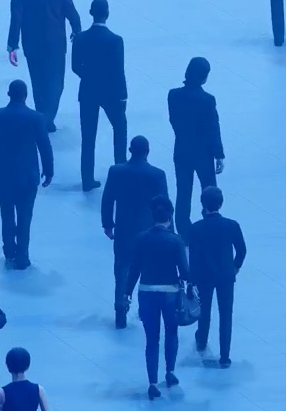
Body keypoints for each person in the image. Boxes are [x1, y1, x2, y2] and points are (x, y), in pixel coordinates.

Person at [0, 79, 55, 269]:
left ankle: (9, 249)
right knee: (25, 215)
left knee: (6, 213)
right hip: (28, 176)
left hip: (3, 175)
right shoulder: (36, 118)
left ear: (8, 94)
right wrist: (49, 171)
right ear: (26, 95)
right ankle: (22, 255)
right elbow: (45, 147)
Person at [7, 0, 81, 132]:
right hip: (55, 46)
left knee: (38, 81)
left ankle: (42, 115)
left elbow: (15, 21)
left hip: (32, 46)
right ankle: (48, 117)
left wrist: (12, 46)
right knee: (56, 82)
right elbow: (73, 16)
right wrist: (77, 35)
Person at [104, 136, 170, 328]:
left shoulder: (116, 171)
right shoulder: (157, 175)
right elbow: (164, 205)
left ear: (130, 150)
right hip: (150, 233)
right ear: (148, 151)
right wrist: (169, 232)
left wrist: (108, 224)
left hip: (124, 230)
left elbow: (107, 199)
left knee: (122, 269)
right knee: (149, 272)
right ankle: (145, 310)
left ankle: (120, 308)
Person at [134, 196, 189, 400]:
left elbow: (134, 269)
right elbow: (184, 272)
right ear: (170, 217)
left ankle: (152, 381)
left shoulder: (141, 239)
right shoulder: (175, 241)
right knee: (172, 332)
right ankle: (170, 371)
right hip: (170, 293)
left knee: (151, 339)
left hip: (146, 291)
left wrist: (126, 293)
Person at [187, 186, 246, 366]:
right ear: (221, 203)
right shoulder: (232, 225)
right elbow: (242, 250)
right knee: (226, 314)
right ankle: (225, 356)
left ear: (202, 204)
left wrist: (192, 281)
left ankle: (202, 341)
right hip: (226, 276)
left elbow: (194, 258)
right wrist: (235, 266)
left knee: (204, 311)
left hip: (205, 276)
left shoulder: (196, 228)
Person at [73, 0, 127, 190]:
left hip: (88, 91)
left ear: (90, 13)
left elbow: (74, 67)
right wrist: (123, 95)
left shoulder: (80, 38)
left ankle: (87, 179)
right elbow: (119, 71)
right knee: (120, 129)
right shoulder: (115, 40)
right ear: (108, 14)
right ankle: (121, 173)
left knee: (88, 136)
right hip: (111, 93)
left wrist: (90, 77)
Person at [167, 57, 224, 239]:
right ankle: (209, 226)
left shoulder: (173, 95)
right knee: (208, 188)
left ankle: (184, 231)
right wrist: (219, 154)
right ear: (205, 78)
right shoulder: (207, 100)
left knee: (183, 191)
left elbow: (174, 121)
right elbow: (213, 128)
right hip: (203, 153)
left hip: (182, 149)